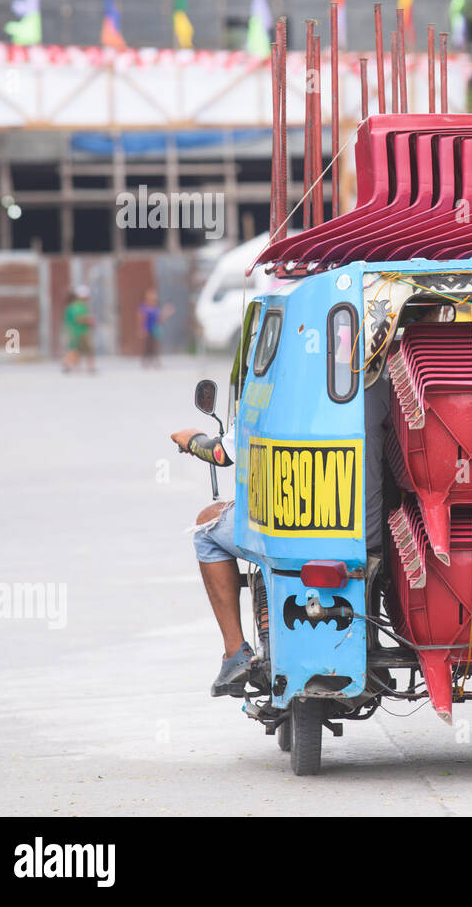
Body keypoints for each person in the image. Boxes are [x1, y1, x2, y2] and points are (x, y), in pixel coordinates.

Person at [172, 366, 392, 697]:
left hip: (289, 537)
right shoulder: (386, 387)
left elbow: (222, 453)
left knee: (206, 531)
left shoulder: (275, 381)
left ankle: (235, 653)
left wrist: (191, 440)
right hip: (371, 536)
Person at [61, 286, 95, 374]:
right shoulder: (78, 306)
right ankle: (90, 368)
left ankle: (68, 365)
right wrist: (88, 320)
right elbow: (78, 318)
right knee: (86, 350)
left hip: (74, 331)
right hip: (79, 331)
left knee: (74, 350)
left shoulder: (72, 306)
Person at [138, 288, 174, 369]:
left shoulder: (155, 308)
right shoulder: (143, 307)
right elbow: (140, 318)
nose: (153, 298)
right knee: (146, 347)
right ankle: (145, 362)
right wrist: (141, 329)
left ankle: (155, 362)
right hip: (147, 329)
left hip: (155, 329)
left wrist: (167, 312)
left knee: (155, 346)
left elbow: (160, 319)